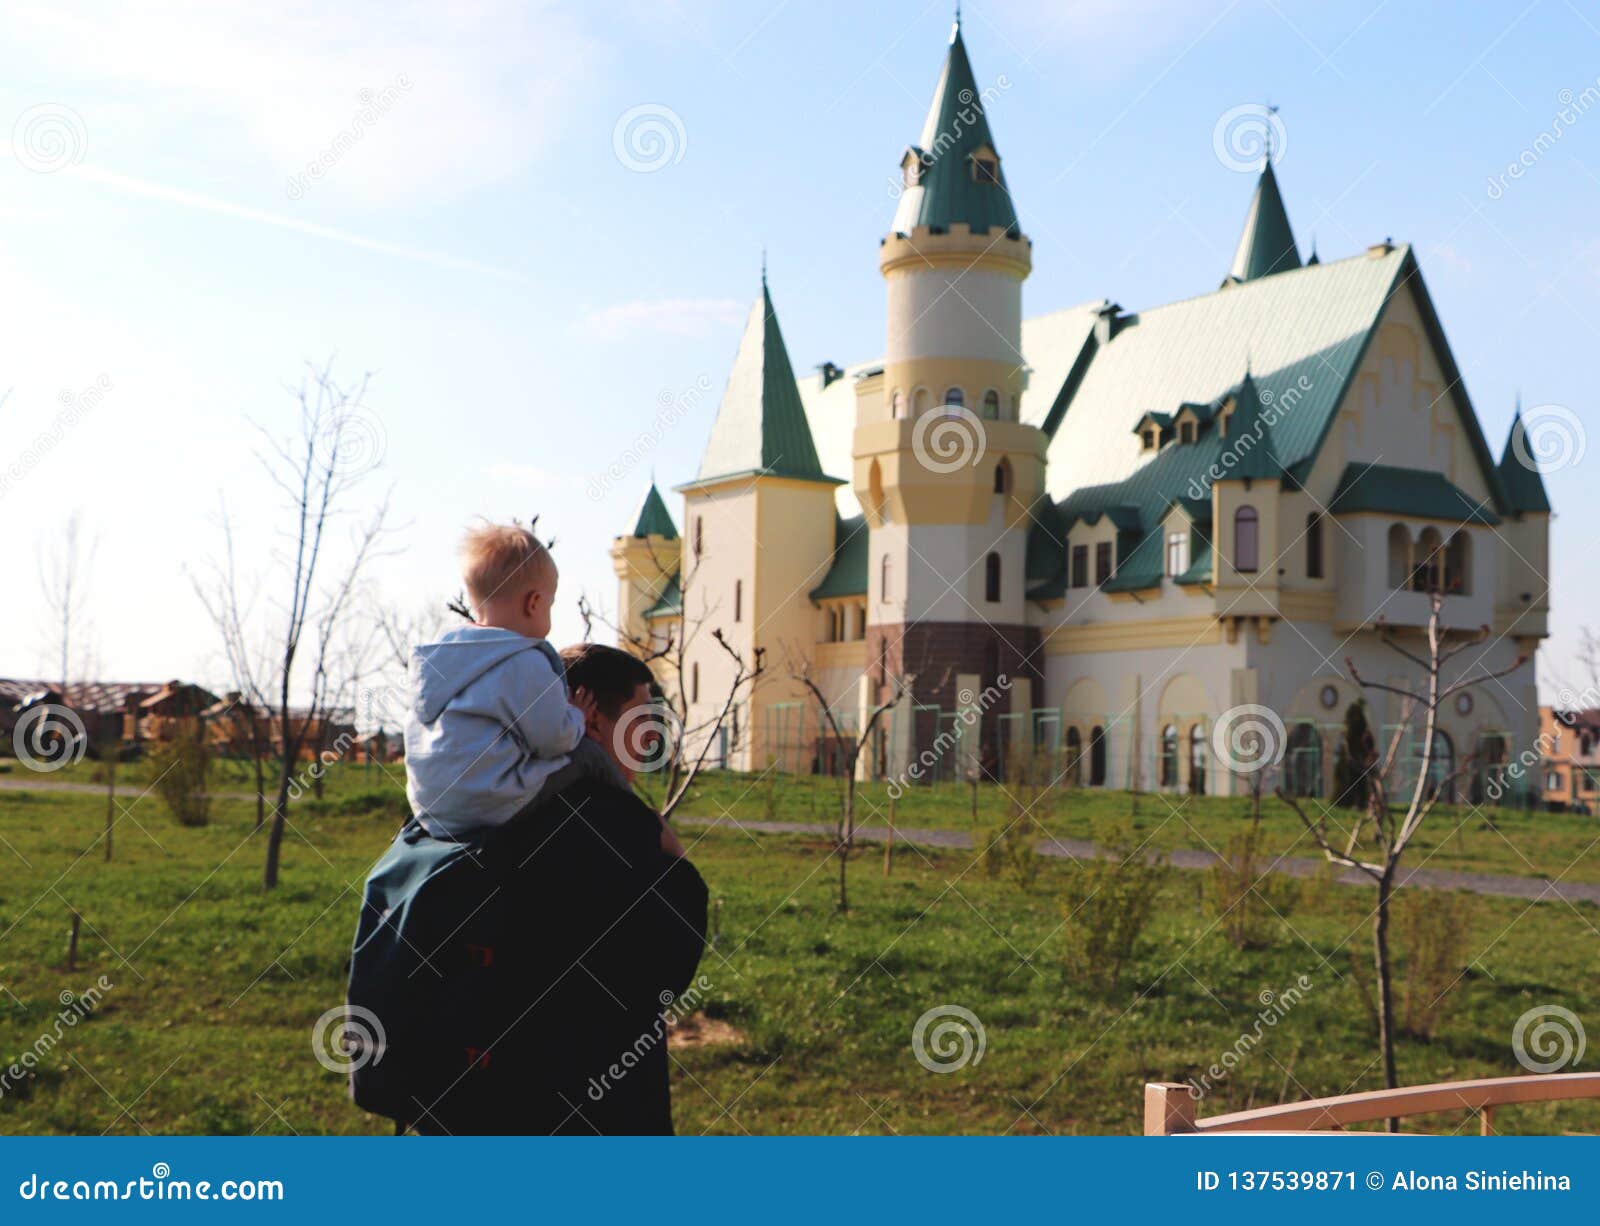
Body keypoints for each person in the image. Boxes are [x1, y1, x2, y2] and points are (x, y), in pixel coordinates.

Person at [348, 642, 706, 1135]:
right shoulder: (613, 825)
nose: (649, 739)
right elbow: (669, 960)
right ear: (594, 718)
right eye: (641, 718)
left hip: (461, 1108)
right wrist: (673, 854)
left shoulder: (458, 810)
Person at [402, 520, 595, 839]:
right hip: (490, 805)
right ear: (534, 603)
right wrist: (576, 715)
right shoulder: (524, 661)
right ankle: (642, 833)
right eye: (551, 603)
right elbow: (553, 741)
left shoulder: (440, 657)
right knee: (589, 757)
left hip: (433, 810)